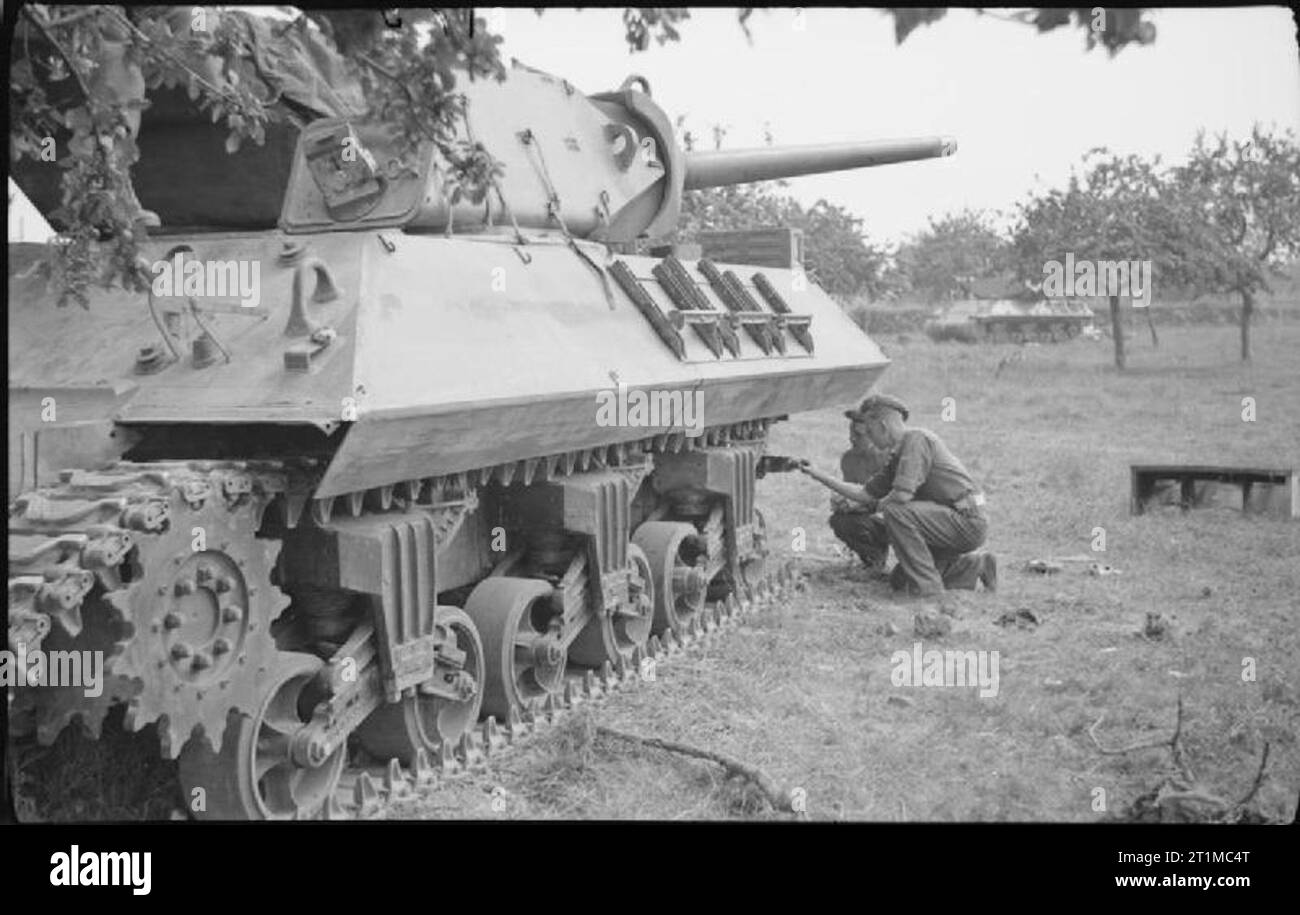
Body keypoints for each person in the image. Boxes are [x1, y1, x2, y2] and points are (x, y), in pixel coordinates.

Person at [800, 394, 996, 597]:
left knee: (896, 511)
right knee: (899, 583)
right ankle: (976, 564)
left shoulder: (916, 440)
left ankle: (928, 591)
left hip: (967, 522)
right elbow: (864, 493)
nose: (867, 435)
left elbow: (901, 496)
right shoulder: (898, 453)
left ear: (883, 426)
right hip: (944, 524)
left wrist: (876, 508)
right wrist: (817, 473)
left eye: (869, 429)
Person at [829, 416, 888, 572]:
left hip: (892, 514)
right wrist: (843, 502)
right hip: (868, 513)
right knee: (839, 521)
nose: (852, 438)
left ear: (873, 435)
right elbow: (850, 489)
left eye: (858, 434)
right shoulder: (848, 459)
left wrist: (863, 503)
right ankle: (873, 558)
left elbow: (896, 497)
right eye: (851, 432)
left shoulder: (887, 458)